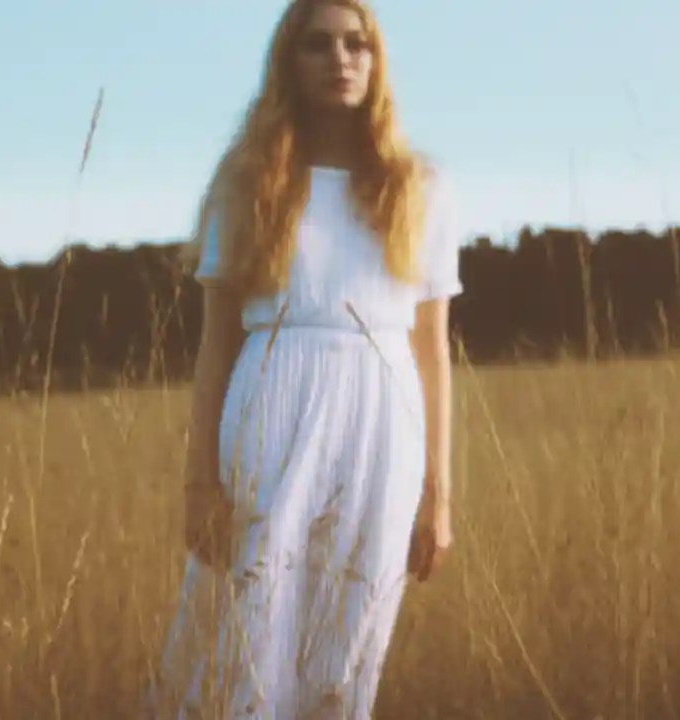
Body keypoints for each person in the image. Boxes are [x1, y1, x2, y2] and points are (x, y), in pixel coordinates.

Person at [148, 0, 463, 716]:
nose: (342, 60)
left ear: (378, 62)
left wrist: (437, 495)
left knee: (347, 645)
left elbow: (431, 347)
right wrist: (200, 483)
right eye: (318, 45)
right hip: (271, 408)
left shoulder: (420, 188)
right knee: (247, 629)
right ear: (289, 62)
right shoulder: (250, 179)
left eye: (358, 45)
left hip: (384, 427)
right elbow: (217, 341)